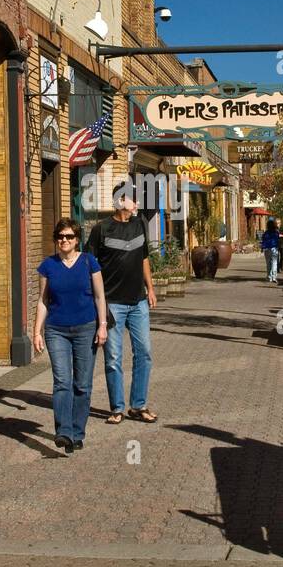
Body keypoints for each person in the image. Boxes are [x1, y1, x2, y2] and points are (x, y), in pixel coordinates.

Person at [33, 217, 107, 454]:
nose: (64, 240)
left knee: (82, 385)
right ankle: (64, 431)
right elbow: (43, 300)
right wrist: (37, 331)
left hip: (86, 328)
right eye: (60, 236)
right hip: (56, 330)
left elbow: (99, 297)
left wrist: (102, 325)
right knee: (62, 382)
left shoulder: (89, 262)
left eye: (69, 237)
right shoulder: (48, 266)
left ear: (77, 240)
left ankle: (77, 432)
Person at [86, 182, 158, 424]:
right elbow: (90, 264)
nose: (136, 202)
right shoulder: (101, 229)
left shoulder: (140, 224)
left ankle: (138, 405)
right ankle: (116, 408)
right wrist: (95, 298)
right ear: (120, 201)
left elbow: (144, 258)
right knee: (114, 357)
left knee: (144, 353)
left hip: (138, 302)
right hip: (112, 304)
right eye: (133, 198)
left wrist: (150, 288)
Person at [260, 218, 282, 283]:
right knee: (274, 263)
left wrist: (262, 248)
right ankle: (274, 277)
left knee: (268, 263)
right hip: (274, 248)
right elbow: (277, 240)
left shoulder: (265, 233)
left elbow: (263, 241)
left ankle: (269, 277)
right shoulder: (276, 232)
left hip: (267, 249)